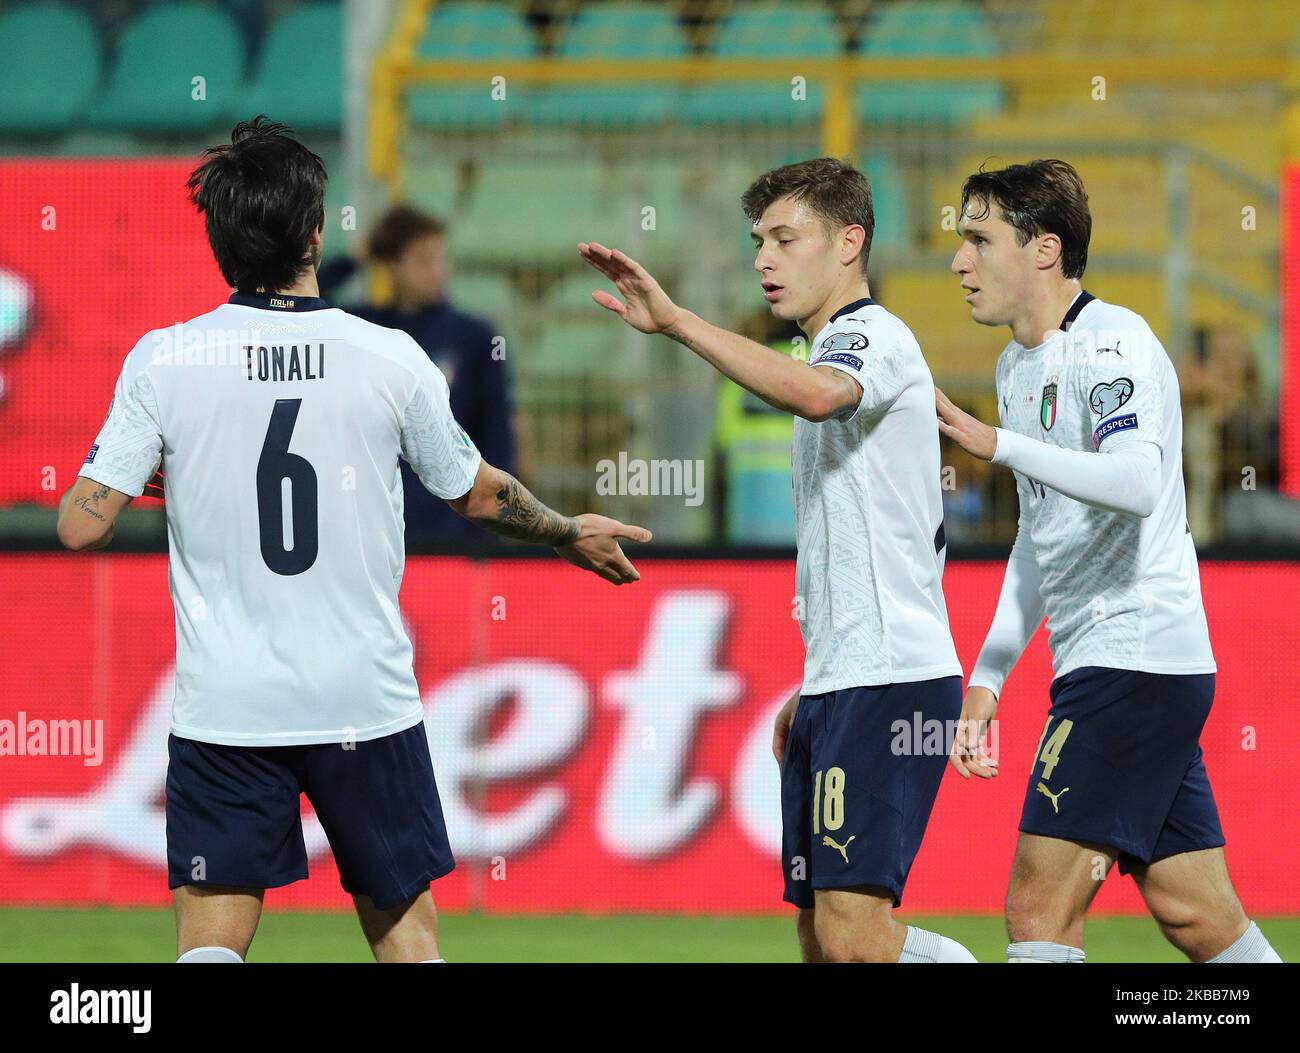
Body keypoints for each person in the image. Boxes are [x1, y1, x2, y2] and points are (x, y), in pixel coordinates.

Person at [55, 117, 650, 964]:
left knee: (212, 944)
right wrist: (564, 532)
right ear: (312, 232)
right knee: (407, 939)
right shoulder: (390, 356)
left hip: (228, 706)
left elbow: (82, 522)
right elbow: (479, 492)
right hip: (362, 702)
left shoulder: (165, 360)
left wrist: (163, 472)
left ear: (221, 243)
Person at [581, 157, 974, 963]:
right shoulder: (819, 354)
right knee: (822, 940)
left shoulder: (872, 338)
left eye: (785, 238)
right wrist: (815, 677)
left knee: (855, 936)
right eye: (758, 239)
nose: (763, 257)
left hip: (894, 679)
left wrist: (681, 322)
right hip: (845, 674)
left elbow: (820, 394)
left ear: (848, 243)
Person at [939, 158, 1281, 963]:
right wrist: (988, 678)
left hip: (1131, 660)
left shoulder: (1114, 342)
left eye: (980, 240)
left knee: (1036, 910)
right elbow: (1038, 536)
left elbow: (1132, 481)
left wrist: (1000, 442)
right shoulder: (1015, 366)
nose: (959, 261)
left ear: (1044, 250)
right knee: (1197, 913)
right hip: (1129, 665)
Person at [317, 205, 516, 545]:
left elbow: (497, 433)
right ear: (392, 267)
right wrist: (357, 258)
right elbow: (305, 301)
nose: (438, 271)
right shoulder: (364, 328)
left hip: (456, 538)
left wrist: (488, 529)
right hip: (378, 534)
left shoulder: (474, 337)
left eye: (441, 258)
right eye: (423, 261)